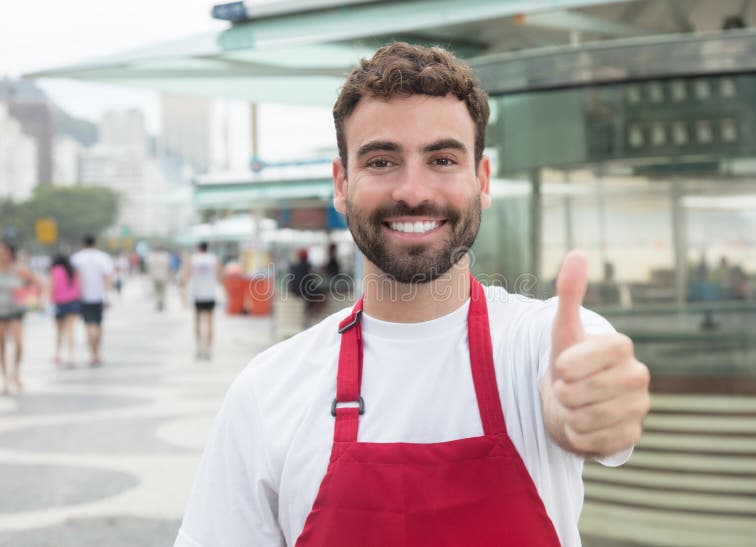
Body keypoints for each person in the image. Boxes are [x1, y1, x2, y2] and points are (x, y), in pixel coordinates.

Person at [175, 43, 650, 547]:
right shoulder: (267, 392)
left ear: (481, 180)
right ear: (341, 184)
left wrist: (590, 409)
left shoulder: (536, 347)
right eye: (382, 161)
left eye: (442, 159)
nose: (413, 191)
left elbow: (590, 389)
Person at [0, 241, 41, 394]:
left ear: (10, 252)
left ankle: (15, 373)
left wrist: (32, 300)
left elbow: (37, 283)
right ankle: (5, 378)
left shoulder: (18, 270)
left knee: (18, 343)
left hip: (16, 311)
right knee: (1, 346)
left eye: (3, 250)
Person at [71, 235, 113, 367]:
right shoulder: (103, 258)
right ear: (95, 243)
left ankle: (92, 353)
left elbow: (73, 278)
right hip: (99, 297)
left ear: (83, 244)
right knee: (98, 325)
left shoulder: (77, 258)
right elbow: (107, 277)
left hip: (83, 297)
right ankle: (97, 352)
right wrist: (108, 294)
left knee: (89, 325)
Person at [182, 241, 221, 361]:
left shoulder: (193, 259)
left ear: (198, 248)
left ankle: (199, 348)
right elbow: (220, 276)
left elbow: (186, 276)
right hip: (210, 295)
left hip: (198, 295)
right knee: (210, 323)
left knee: (197, 322)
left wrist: (183, 294)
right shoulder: (213, 259)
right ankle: (208, 350)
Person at [50, 254, 81, 368]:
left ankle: (57, 354)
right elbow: (79, 286)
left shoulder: (55, 270)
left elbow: (53, 285)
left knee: (59, 331)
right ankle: (71, 356)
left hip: (59, 303)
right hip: (72, 302)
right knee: (70, 331)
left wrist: (49, 299)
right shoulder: (73, 270)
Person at [148, 246, 172, 311]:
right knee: (162, 291)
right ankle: (161, 302)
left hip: (155, 276)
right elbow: (168, 267)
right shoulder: (165, 256)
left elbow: (150, 268)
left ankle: (158, 302)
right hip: (163, 276)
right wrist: (168, 276)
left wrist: (150, 276)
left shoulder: (152, 257)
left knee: (157, 291)